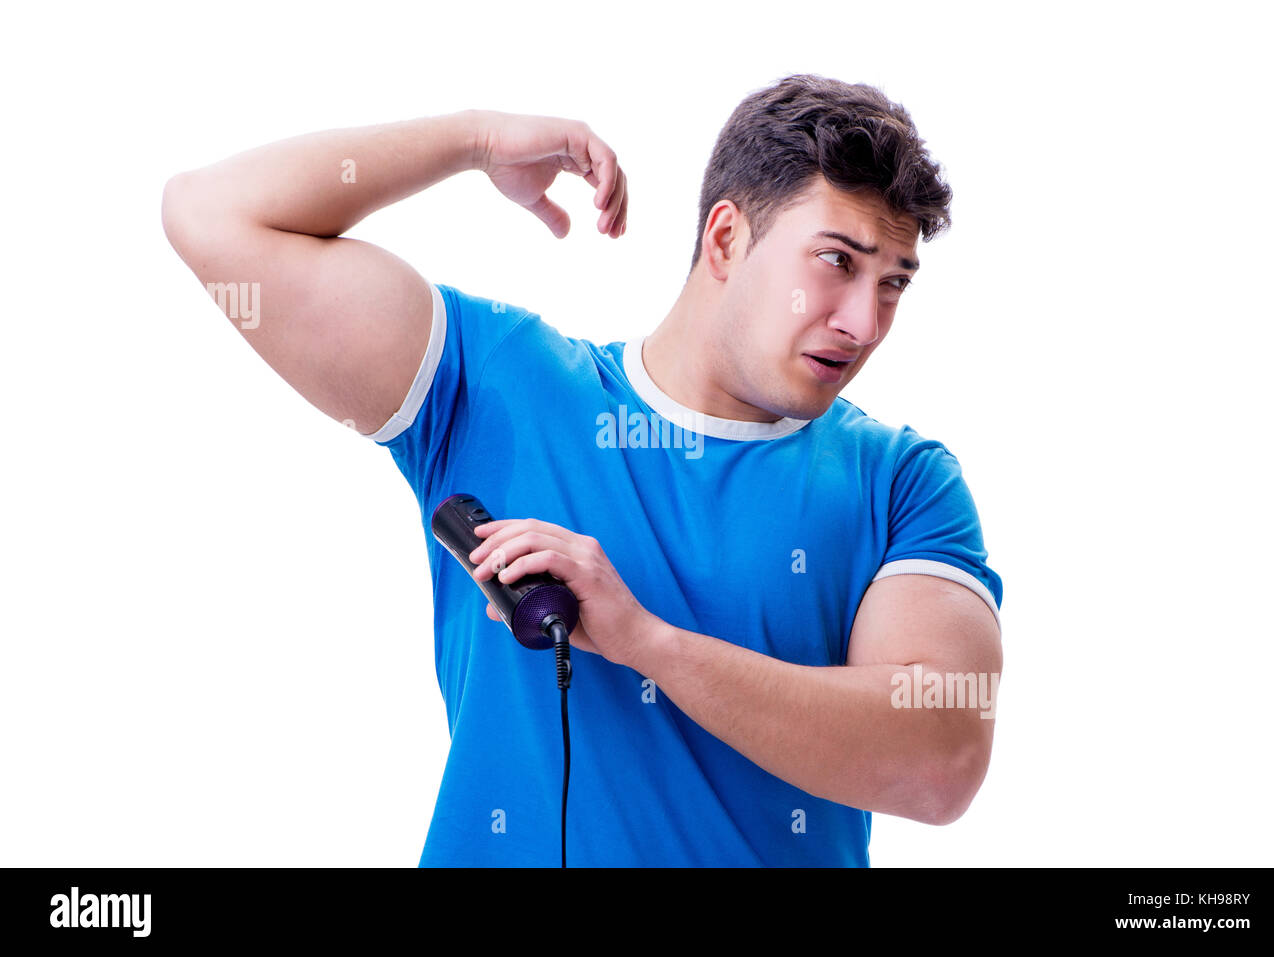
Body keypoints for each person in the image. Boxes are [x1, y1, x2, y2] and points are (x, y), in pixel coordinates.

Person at [161, 73, 1004, 867]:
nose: (864, 321)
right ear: (725, 237)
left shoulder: (902, 482)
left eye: (894, 282)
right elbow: (211, 215)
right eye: (837, 263)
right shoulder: (496, 384)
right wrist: (475, 138)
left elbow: (941, 759)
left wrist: (648, 644)